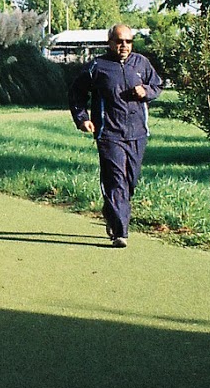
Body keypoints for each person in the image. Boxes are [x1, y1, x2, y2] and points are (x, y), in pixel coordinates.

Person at [68, 24, 163, 248]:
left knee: (130, 181)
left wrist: (146, 92)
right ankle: (121, 232)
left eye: (128, 41)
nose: (124, 46)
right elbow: (77, 92)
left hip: (137, 133)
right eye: (119, 41)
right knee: (115, 179)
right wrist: (82, 118)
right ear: (110, 42)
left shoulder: (141, 63)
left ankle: (111, 211)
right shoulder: (97, 66)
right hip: (109, 133)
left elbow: (157, 85)